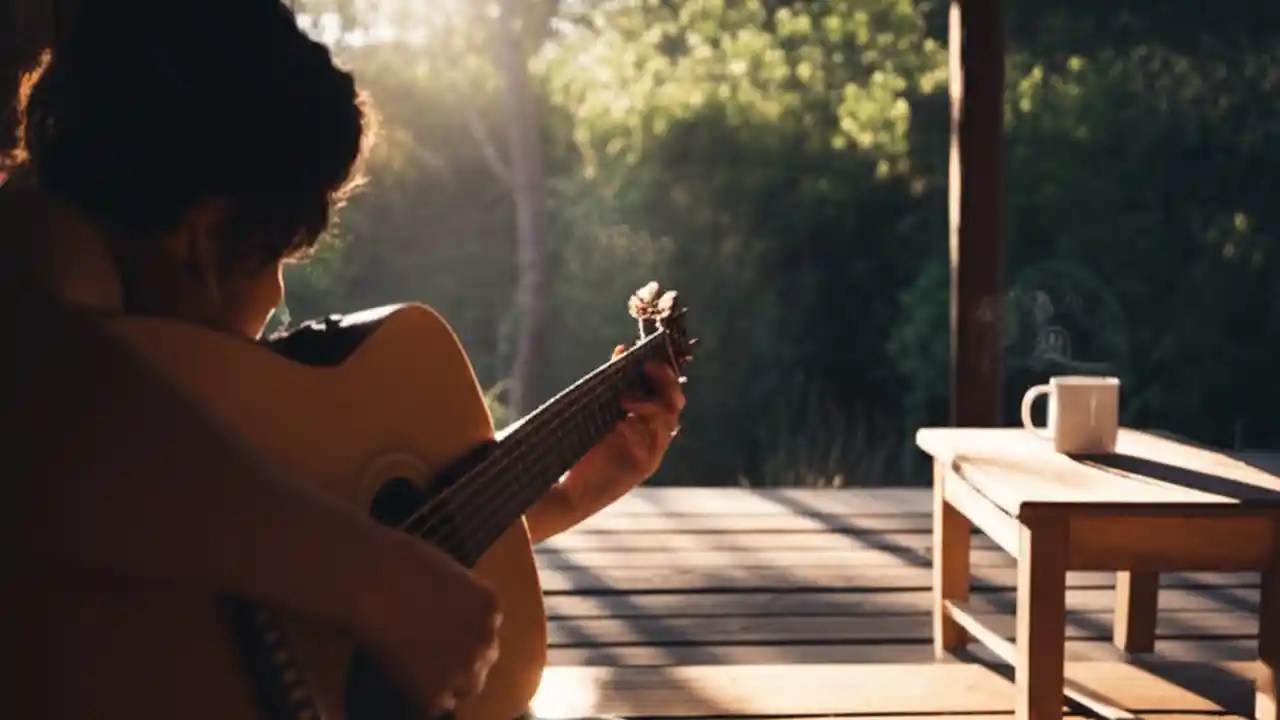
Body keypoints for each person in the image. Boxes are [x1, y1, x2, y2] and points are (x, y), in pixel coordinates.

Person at [1, 0, 684, 715]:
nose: (275, 294)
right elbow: (49, 408)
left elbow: (247, 534)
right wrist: (376, 583)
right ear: (203, 235)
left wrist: (564, 493)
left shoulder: (145, 384)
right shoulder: (44, 253)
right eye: (275, 256)